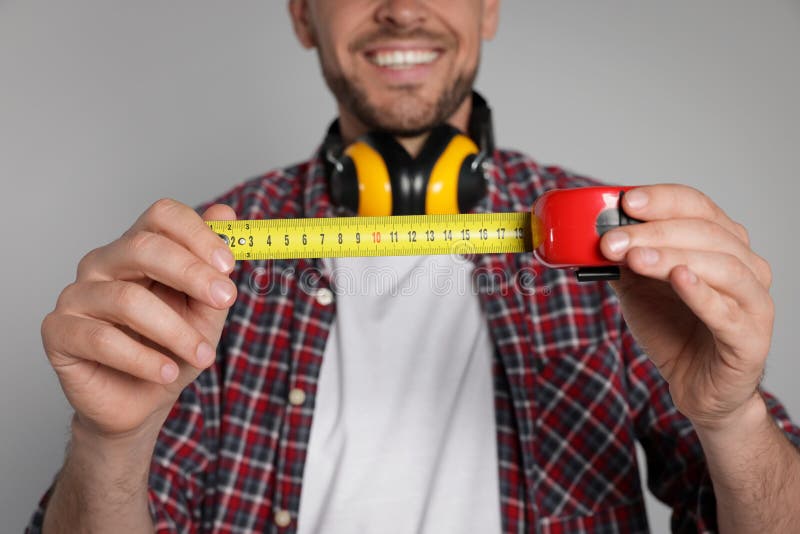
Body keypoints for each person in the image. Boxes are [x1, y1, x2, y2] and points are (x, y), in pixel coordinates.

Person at [27, 1, 800, 533]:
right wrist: (107, 444)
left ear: (487, 9)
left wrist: (730, 420)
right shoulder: (211, 255)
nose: (401, 6)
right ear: (304, 15)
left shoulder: (608, 244)